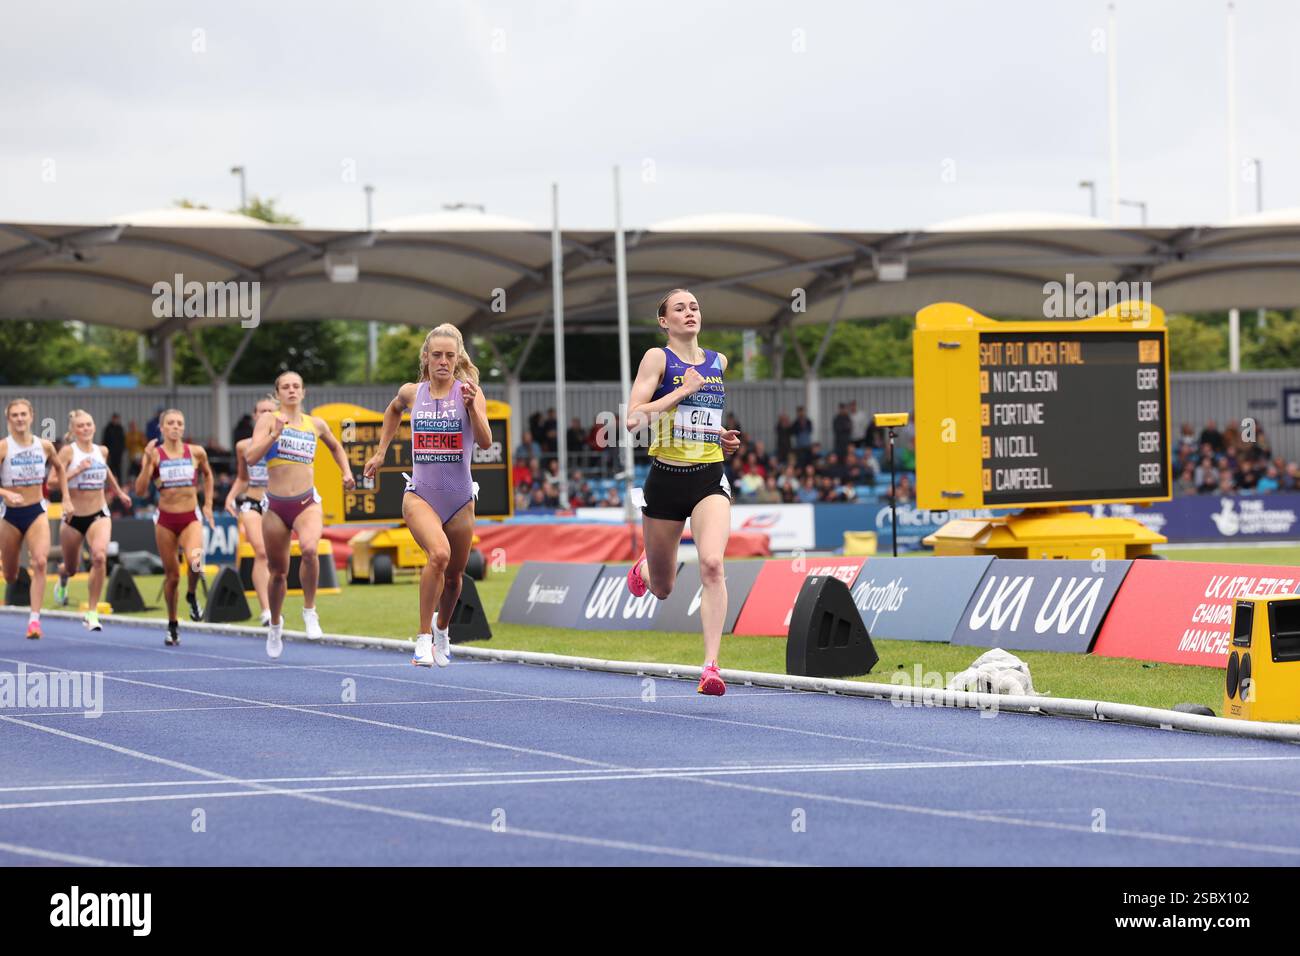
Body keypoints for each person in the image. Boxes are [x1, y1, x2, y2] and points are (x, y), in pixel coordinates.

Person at [624, 288, 741, 696]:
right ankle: (642, 569)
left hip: (709, 477)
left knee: (712, 564)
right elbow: (633, 419)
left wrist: (722, 437)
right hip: (665, 480)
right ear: (664, 321)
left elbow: (704, 419)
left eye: (694, 307)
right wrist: (680, 391)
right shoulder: (658, 358)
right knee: (663, 587)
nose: (689, 313)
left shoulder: (718, 361)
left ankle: (710, 666)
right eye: (679, 308)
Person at [365, 324, 491, 667]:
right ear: (426, 357)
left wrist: (472, 409)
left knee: (454, 578)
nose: (443, 362)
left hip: (461, 499)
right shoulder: (411, 392)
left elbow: (484, 442)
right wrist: (380, 453)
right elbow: (392, 410)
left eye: (450, 356)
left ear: (458, 358)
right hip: (420, 495)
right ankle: (422, 639)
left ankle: (442, 631)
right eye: (437, 355)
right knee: (438, 555)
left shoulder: (469, 392)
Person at [246, 371, 355, 659]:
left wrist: (346, 472)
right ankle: (275, 624)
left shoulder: (315, 424)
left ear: (303, 392)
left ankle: (310, 610)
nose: (291, 390)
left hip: (307, 502)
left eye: (296, 386)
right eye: (285, 386)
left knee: (309, 550)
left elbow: (336, 447)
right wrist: (274, 434)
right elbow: (251, 457)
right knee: (278, 573)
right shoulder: (268, 420)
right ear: (278, 393)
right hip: (276, 505)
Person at [133, 408, 213, 646]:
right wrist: (147, 461)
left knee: (196, 562)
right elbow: (139, 491)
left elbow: (208, 476)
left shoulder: (196, 452)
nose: (176, 426)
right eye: (171, 423)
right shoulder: (155, 455)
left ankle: (191, 595)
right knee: (172, 576)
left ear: (183, 427)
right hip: (166, 521)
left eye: (180, 422)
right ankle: (172, 624)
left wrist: (208, 504)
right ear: (162, 428)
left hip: (190, 517)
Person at [54, 410, 133, 631]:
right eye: (80, 426)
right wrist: (76, 471)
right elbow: (52, 481)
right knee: (72, 568)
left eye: (89, 424)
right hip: (73, 517)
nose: (85, 429)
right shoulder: (68, 452)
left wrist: (119, 492)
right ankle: (63, 576)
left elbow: (106, 471)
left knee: (99, 556)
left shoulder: (102, 450)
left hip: (99, 514)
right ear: (73, 430)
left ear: (95, 427)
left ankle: (92, 612)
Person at [1, 399, 68, 639]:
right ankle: (7, 567)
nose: (19, 419)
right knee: (9, 575)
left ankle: (34, 621)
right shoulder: (3, 447)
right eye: (15, 415)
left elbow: (60, 468)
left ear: (31, 416)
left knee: (40, 561)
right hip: (10, 515)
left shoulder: (45, 446)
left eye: (23, 414)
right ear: (9, 420)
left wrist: (66, 498)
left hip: (36, 510)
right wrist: (6, 492)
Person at [224, 395, 277, 626]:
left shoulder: (284, 441)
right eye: (261, 411)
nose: (265, 414)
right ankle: (266, 610)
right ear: (255, 416)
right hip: (252, 501)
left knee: (277, 559)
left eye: (270, 410)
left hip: (276, 501)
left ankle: (276, 607)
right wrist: (230, 497)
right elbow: (242, 478)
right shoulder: (243, 446)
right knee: (261, 552)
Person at [101, 413, 126, 485]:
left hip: (118, 453)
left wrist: (122, 450)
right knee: (110, 469)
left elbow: (122, 441)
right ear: (112, 419)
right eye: (115, 418)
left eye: (117, 419)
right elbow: (105, 441)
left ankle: (119, 484)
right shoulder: (108, 428)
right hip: (110, 453)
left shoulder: (120, 428)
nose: (116, 420)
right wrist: (106, 453)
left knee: (118, 469)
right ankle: (110, 485)